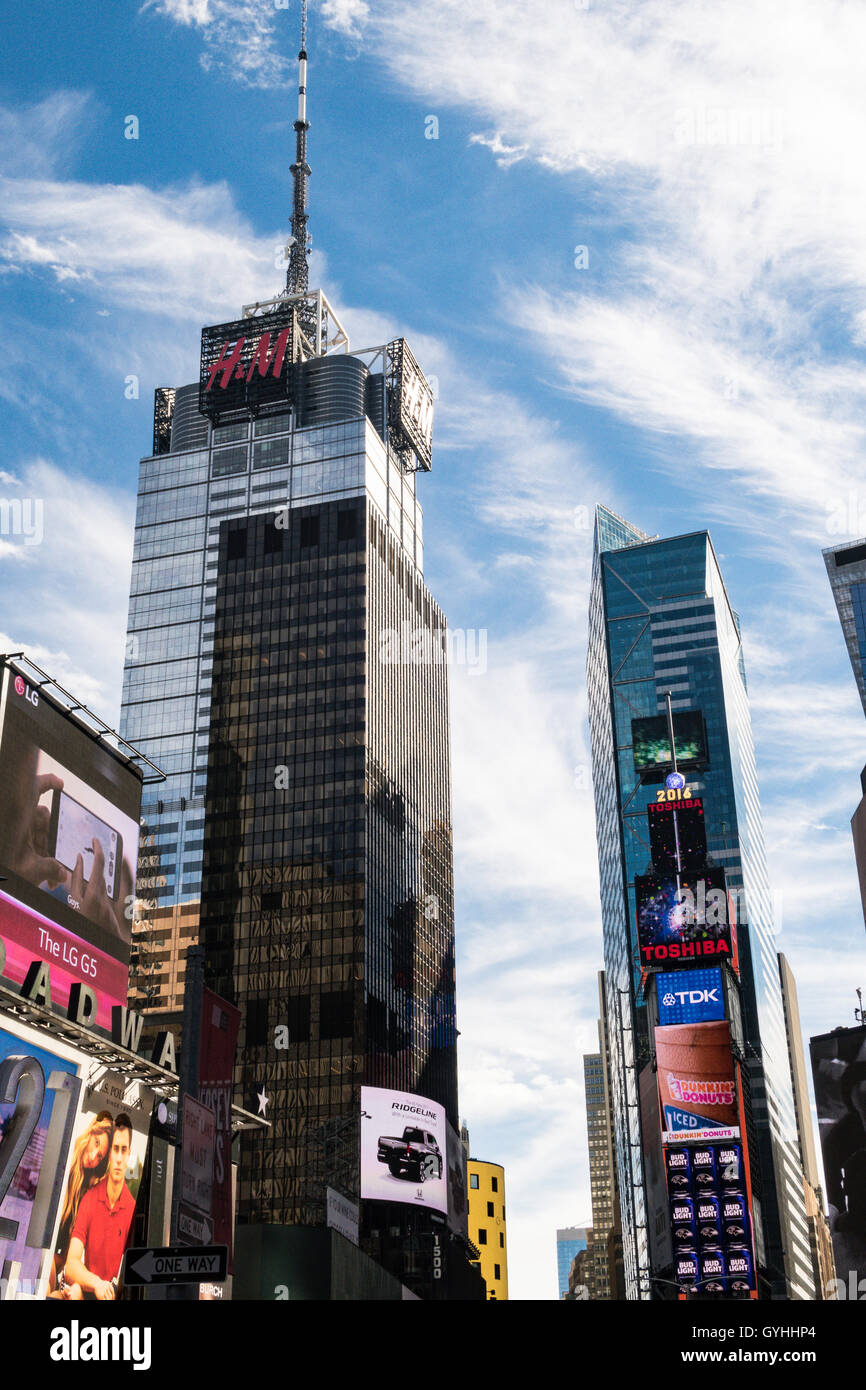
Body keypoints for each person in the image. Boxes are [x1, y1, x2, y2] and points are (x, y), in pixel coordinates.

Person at [64, 1115, 136, 1300]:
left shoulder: (133, 1210)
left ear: (129, 1154)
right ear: (110, 1154)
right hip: (88, 1291)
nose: (119, 1158)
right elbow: (71, 1265)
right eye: (115, 1150)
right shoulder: (90, 1198)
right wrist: (97, 1283)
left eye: (124, 1150)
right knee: (75, 1292)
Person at [46, 1109, 113, 1298]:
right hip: (35, 1260)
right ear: (91, 1132)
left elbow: (70, 1257)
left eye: (100, 1156)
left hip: (60, 1272)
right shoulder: (62, 1160)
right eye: (96, 1143)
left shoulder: (86, 1192)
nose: (93, 1157)